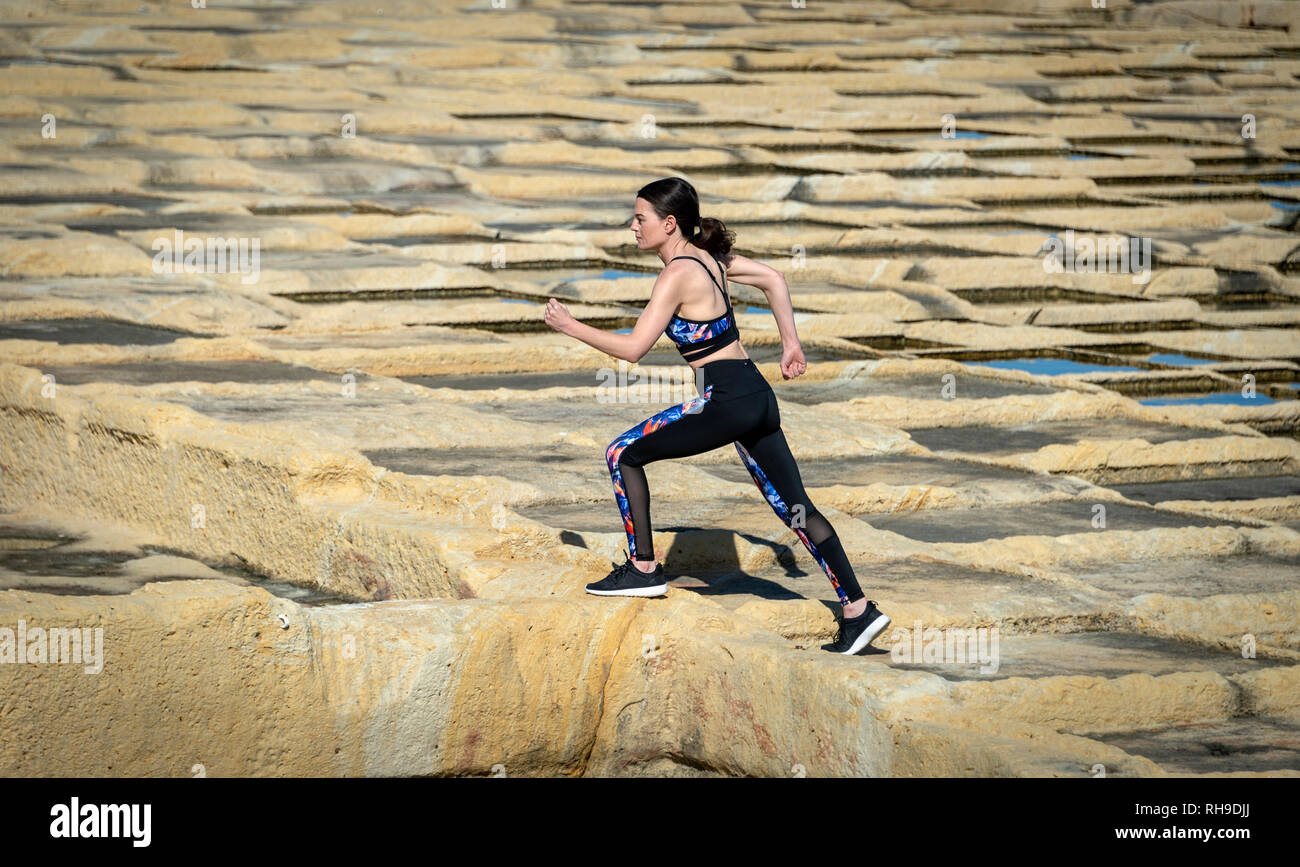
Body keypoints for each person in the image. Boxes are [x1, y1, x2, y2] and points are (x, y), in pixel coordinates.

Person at [543, 177, 890, 655]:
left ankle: (644, 569)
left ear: (669, 223)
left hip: (726, 398)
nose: (632, 227)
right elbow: (774, 278)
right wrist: (791, 343)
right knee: (796, 508)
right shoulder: (711, 258)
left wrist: (569, 325)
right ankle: (858, 609)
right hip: (756, 395)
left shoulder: (677, 273)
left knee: (622, 452)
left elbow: (634, 349)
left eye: (640, 218)